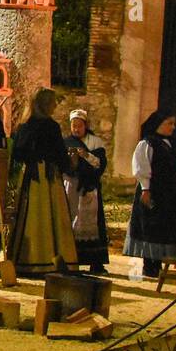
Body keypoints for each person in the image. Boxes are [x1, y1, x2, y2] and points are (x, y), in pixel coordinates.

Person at [7, 88, 78, 275]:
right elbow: (59, 153)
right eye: (53, 102)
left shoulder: (24, 125)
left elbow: (17, 153)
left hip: (30, 175)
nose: (55, 106)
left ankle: (27, 258)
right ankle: (46, 259)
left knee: (32, 214)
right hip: (45, 176)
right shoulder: (50, 126)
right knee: (47, 215)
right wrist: (69, 165)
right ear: (46, 104)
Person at [124, 110, 176, 279]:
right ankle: (149, 266)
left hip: (171, 194)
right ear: (158, 124)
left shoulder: (174, 145)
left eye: (174, 124)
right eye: (169, 123)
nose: (173, 127)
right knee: (151, 227)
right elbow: (141, 167)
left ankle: (159, 263)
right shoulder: (147, 144)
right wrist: (145, 189)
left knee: (165, 228)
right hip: (154, 191)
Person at [63, 109, 109, 273]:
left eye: (79, 126)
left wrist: (85, 155)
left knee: (92, 226)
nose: (76, 129)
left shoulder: (95, 142)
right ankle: (70, 259)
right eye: (73, 126)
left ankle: (95, 262)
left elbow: (100, 164)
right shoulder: (66, 142)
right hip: (71, 187)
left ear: (85, 126)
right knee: (71, 222)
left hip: (90, 188)